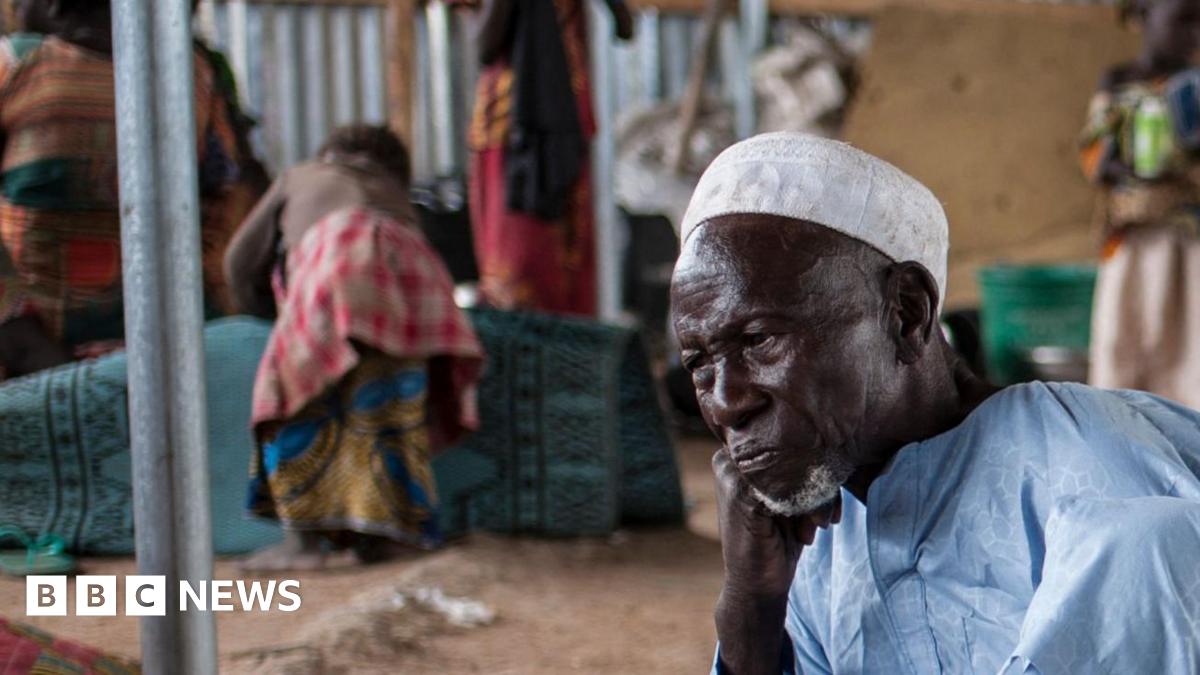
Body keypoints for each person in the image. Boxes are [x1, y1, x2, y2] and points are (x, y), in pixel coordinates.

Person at [672, 133, 1200, 674]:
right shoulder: (812, 551)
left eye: (760, 340)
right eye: (698, 363)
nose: (726, 400)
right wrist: (750, 612)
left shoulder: (1097, 483)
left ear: (906, 312)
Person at [225, 125, 484, 571]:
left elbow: (239, 262)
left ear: (330, 154)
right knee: (386, 408)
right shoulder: (392, 195)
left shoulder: (301, 175)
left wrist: (270, 315)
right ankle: (390, 536)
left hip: (338, 256)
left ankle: (301, 546)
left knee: (292, 398)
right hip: (414, 274)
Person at [0, 0, 252, 379]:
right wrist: (17, 334)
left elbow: (224, 206)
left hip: (161, 356)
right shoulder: (20, 66)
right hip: (36, 355)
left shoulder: (192, 73)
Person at [466, 0, 632, 314]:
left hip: (568, 124)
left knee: (571, 272)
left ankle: (569, 356)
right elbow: (484, 45)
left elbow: (625, 26)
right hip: (509, 132)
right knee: (518, 270)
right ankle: (523, 355)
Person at [1079, 0, 1200, 409]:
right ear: (1144, 13)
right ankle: (1119, 424)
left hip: (1189, 243)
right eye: (1186, 19)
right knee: (1124, 335)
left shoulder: (1194, 88)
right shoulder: (1118, 81)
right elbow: (1094, 152)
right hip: (1132, 239)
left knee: (1188, 347)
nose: (1196, 33)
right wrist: (1112, 162)